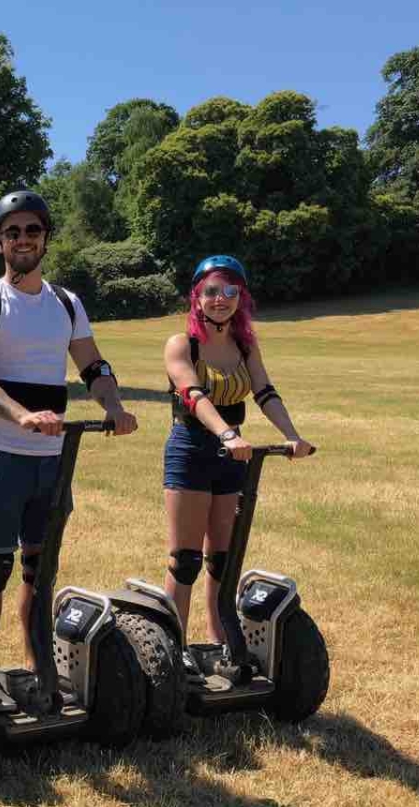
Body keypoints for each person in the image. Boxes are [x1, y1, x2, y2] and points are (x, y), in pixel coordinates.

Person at [0, 190, 138, 695]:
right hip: (0, 454)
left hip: (52, 457)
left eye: (31, 230)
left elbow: (93, 366)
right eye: (11, 232)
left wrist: (114, 407)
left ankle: (42, 669)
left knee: (40, 568)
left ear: (45, 238)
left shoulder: (66, 303)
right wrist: (22, 416)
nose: (22, 240)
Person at [162, 255, 313, 658]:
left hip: (232, 453)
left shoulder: (244, 344)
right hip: (192, 449)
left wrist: (293, 436)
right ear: (196, 298)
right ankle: (171, 648)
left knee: (222, 560)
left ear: (240, 298)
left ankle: (221, 641)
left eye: (230, 291)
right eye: (211, 291)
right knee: (186, 559)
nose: (220, 299)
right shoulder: (183, 344)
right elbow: (192, 395)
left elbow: (264, 391)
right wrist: (227, 433)